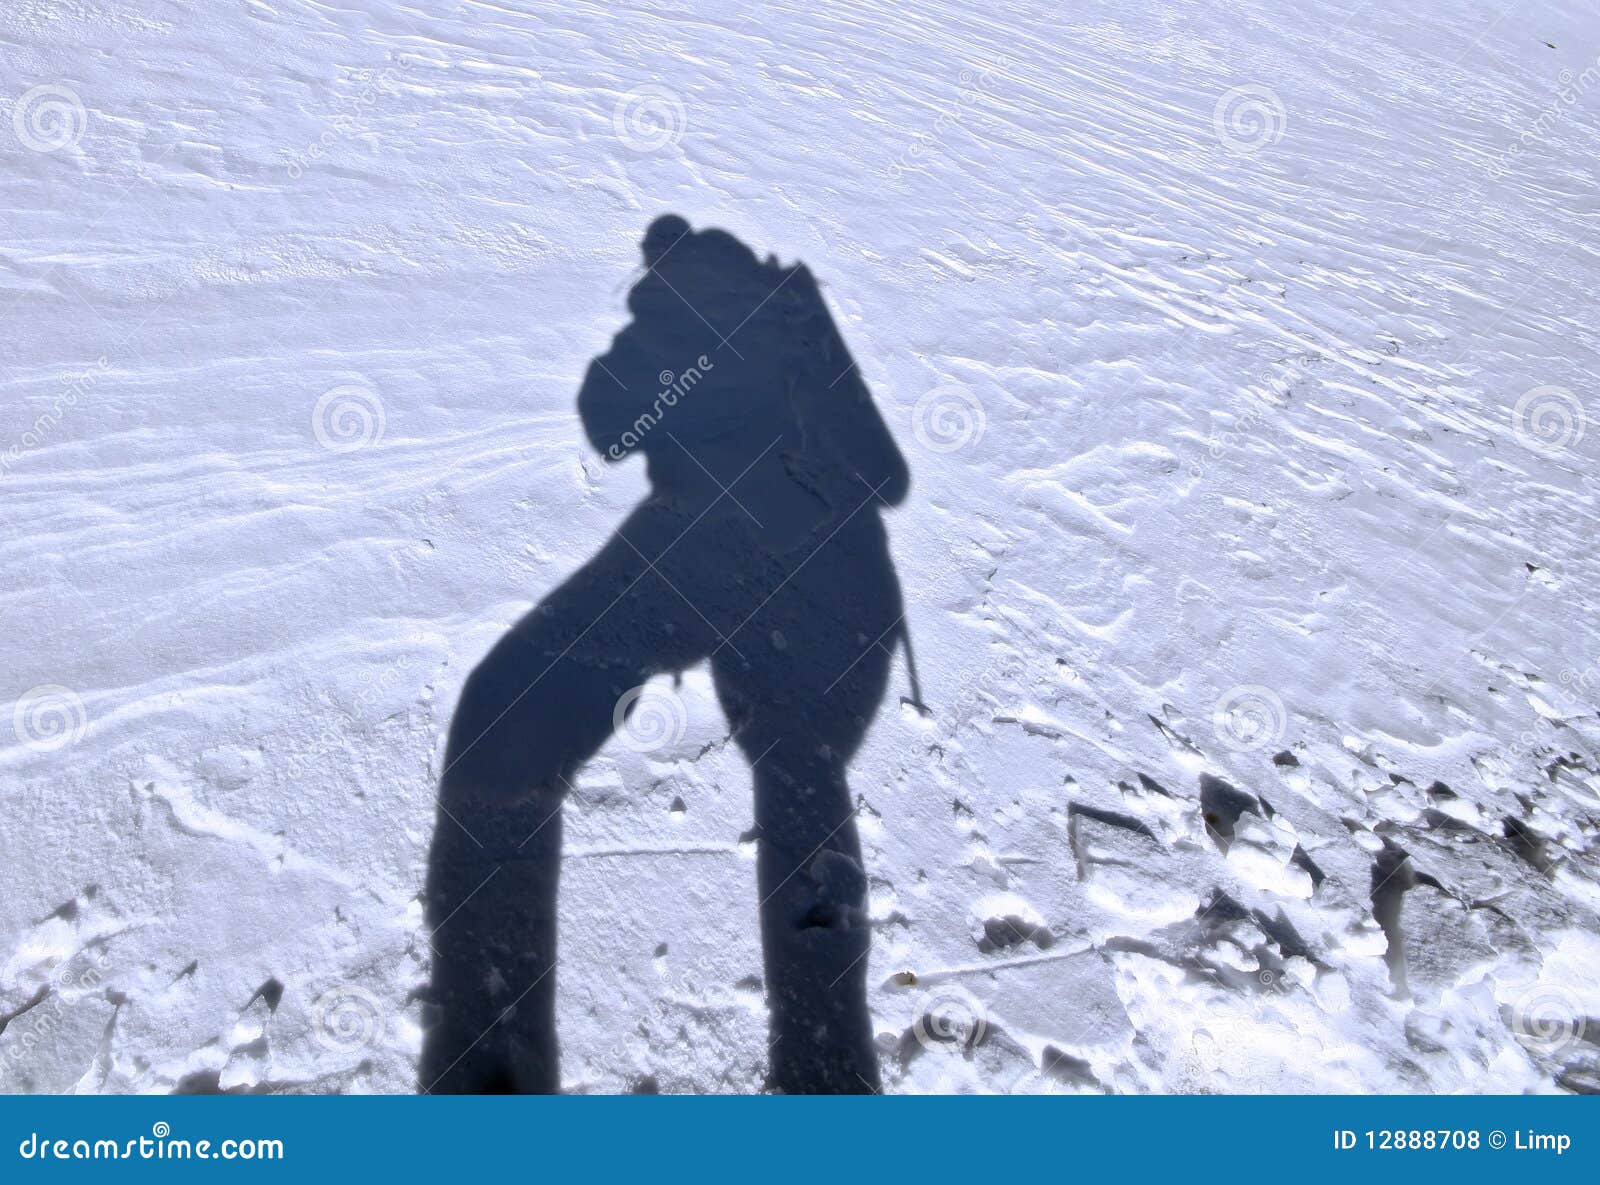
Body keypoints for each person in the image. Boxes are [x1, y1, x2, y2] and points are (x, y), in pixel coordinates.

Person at [422, 215, 909, 1093]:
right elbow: (886, 478)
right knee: (800, 775)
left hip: (711, 543)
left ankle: (491, 1072)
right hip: (833, 557)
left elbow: (608, 421)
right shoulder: (780, 315)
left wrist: (650, 346)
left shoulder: (678, 308)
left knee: (506, 711)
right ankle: (828, 1076)